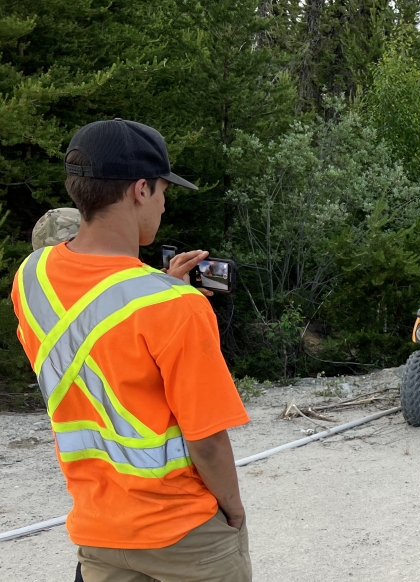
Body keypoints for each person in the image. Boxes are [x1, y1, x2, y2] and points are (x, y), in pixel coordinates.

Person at [9, 119, 252, 582]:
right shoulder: (176, 306)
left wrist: (163, 288)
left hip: (99, 535)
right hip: (182, 533)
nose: (163, 204)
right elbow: (206, 440)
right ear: (140, 189)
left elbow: (98, 349)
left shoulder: (30, 278)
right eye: (163, 191)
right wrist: (233, 510)